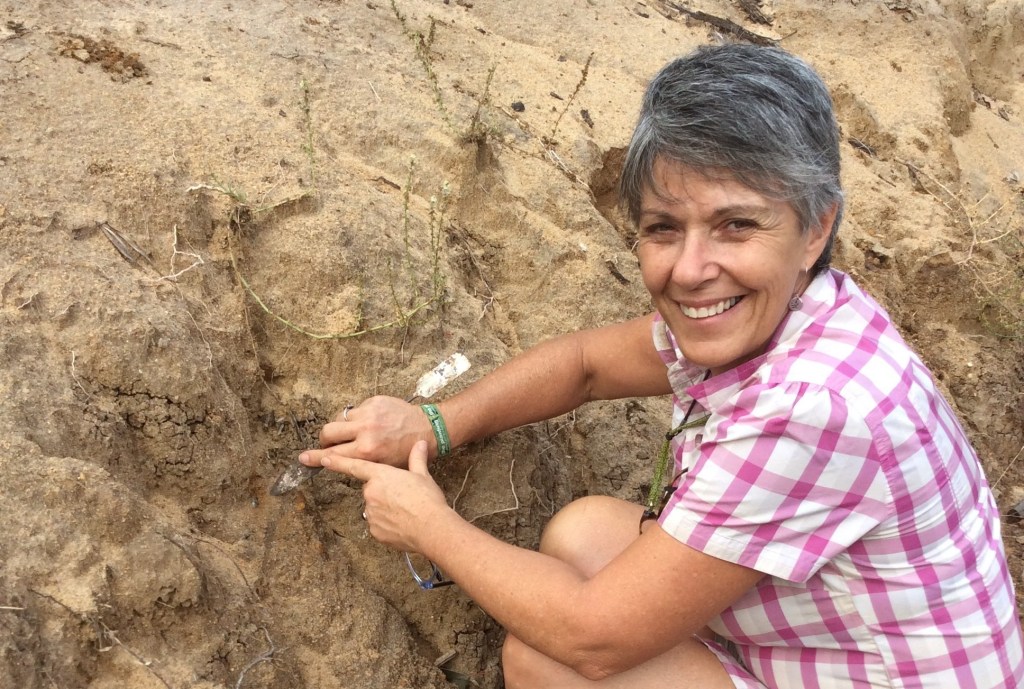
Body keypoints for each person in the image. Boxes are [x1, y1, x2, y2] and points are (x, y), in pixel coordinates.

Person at [298, 44, 1024, 688]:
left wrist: (430, 524)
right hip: (834, 644)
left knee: (546, 659)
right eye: (663, 229)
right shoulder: (785, 309)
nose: (692, 268)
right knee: (583, 533)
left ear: (816, 227)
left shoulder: (814, 407)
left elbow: (593, 638)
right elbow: (586, 366)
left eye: (737, 224)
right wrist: (437, 421)